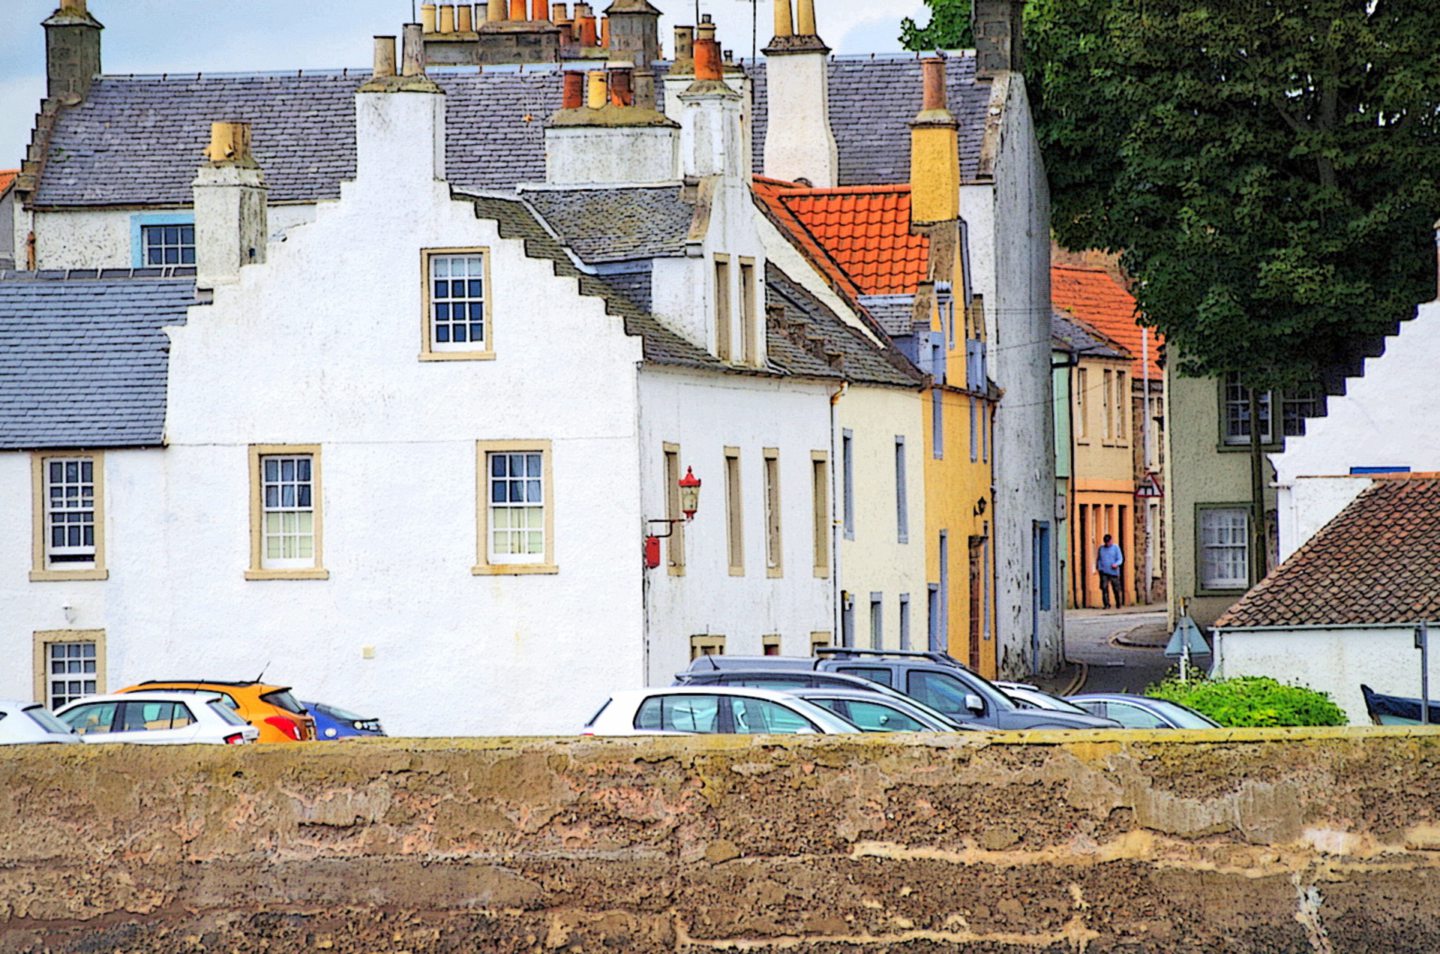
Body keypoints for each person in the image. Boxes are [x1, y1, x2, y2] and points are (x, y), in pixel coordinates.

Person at [1096, 534, 1124, 608]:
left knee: (1116, 588)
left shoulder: (1116, 548)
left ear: (1111, 540)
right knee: (1104, 588)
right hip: (1104, 571)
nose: (1108, 543)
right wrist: (1099, 567)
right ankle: (1106, 604)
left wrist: (1116, 564)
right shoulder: (1101, 549)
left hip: (1113, 572)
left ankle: (1118, 603)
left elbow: (1120, 559)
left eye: (1109, 542)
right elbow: (1099, 559)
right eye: (1106, 542)